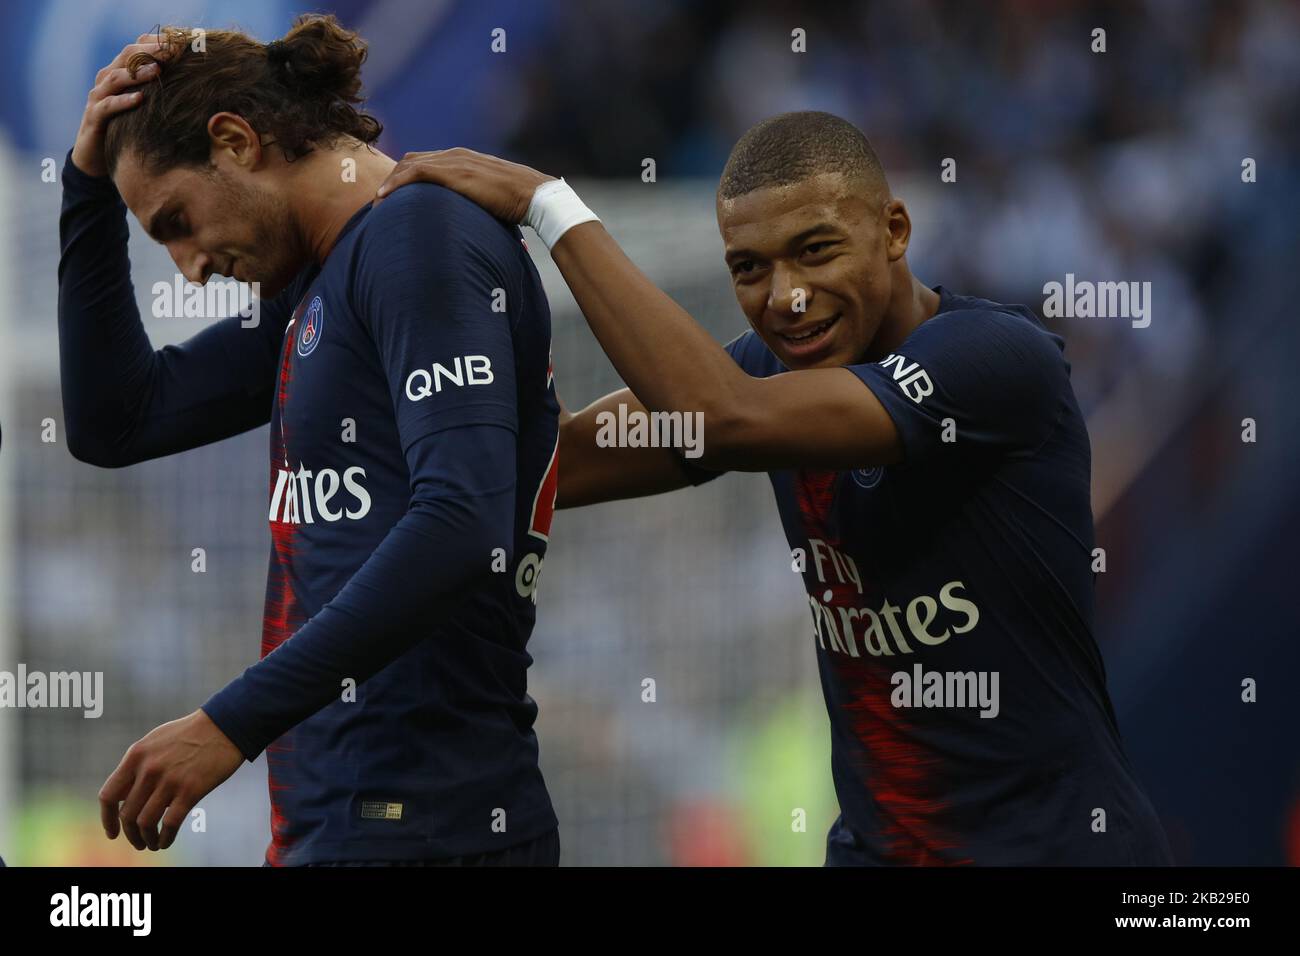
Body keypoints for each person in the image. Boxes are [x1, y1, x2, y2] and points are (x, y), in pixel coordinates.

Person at [375, 112, 1175, 865]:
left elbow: (724, 420)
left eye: (817, 250)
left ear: (894, 231)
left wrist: (550, 211)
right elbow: (558, 464)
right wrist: (454, 305)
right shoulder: (770, 375)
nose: (784, 296)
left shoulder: (995, 360)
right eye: (750, 268)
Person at [58, 16, 561, 866]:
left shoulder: (416, 238)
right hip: (349, 820)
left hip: (431, 823)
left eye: (177, 220)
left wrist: (229, 722)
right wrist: (87, 187)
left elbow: (462, 522)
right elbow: (116, 422)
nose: (189, 267)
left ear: (235, 141)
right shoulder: (319, 284)